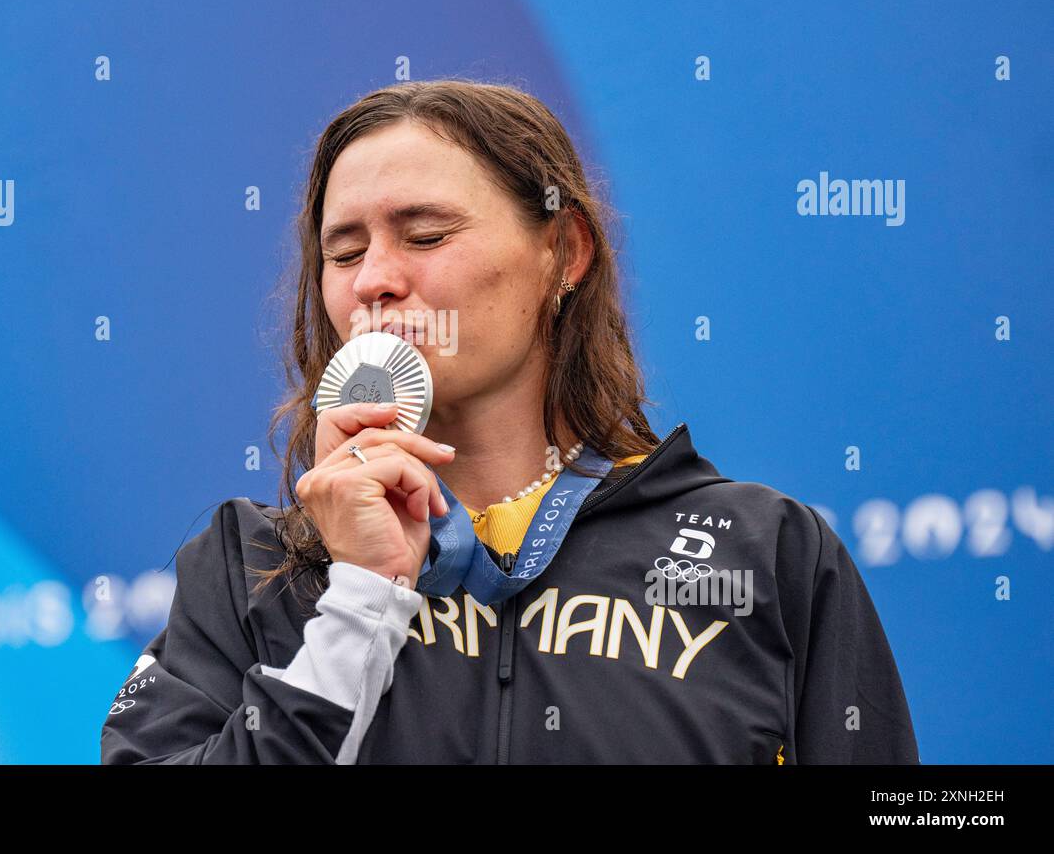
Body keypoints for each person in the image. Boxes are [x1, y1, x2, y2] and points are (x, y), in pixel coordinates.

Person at [100, 79, 919, 764]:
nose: (375, 280)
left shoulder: (766, 552)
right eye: (343, 253)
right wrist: (356, 602)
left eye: (425, 234)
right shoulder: (252, 571)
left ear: (564, 252)